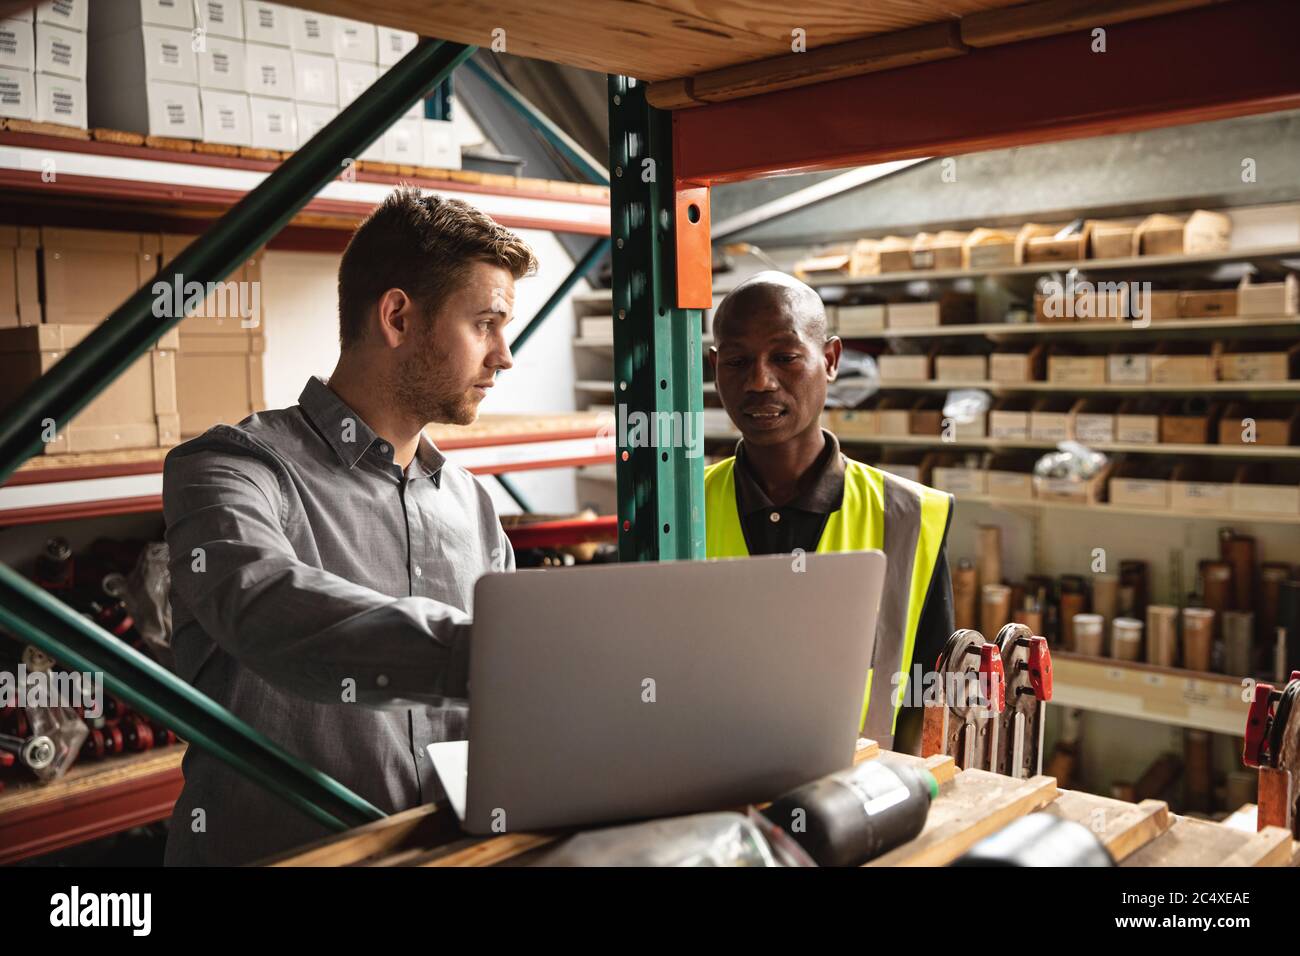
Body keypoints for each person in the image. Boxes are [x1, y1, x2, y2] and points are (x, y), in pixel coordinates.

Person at [160, 186, 536, 864]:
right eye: (485, 323)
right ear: (396, 316)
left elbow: (507, 723)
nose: (504, 356)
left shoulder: (472, 505)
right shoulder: (230, 468)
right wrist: (495, 654)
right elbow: (266, 604)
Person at [705, 271, 954, 753]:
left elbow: (930, 707)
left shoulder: (911, 517)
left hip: (862, 804)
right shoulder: (679, 507)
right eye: (737, 361)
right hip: (711, 796)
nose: (759, 381)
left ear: (831, 360)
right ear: (714, 367)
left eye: (785, 357)